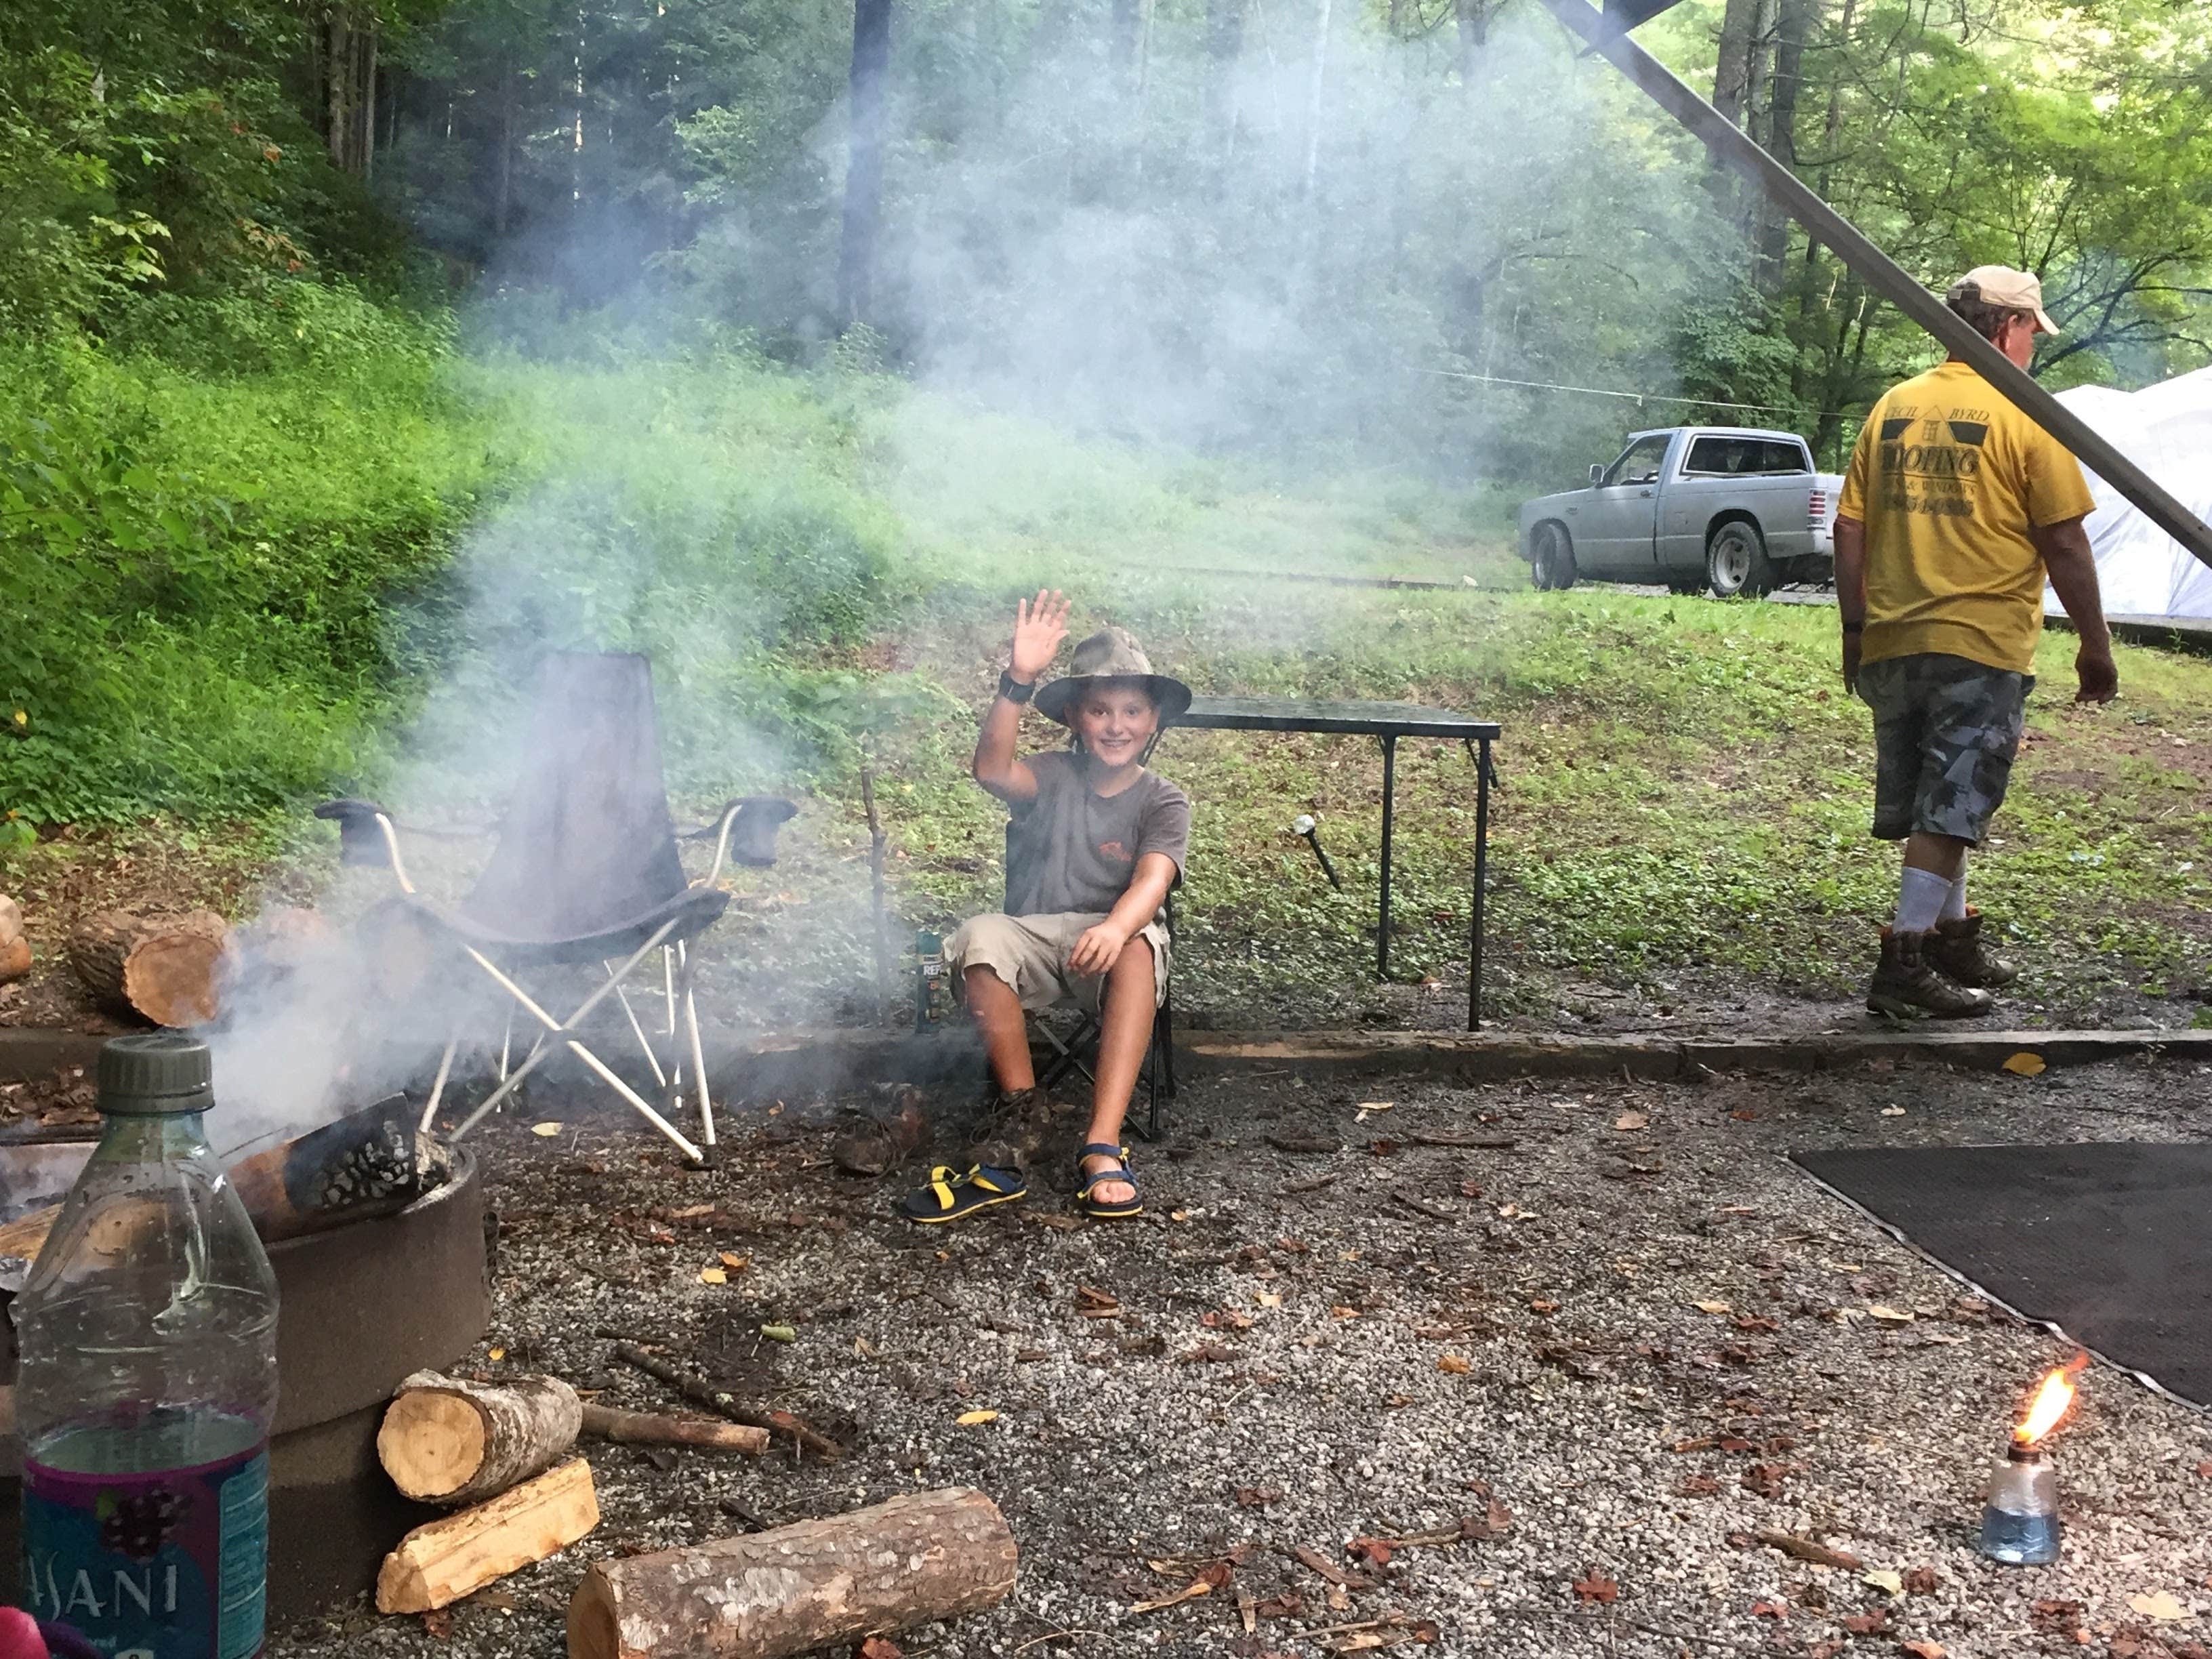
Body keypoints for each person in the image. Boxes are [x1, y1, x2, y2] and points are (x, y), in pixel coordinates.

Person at [1834, 264, 2118, 1019]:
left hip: (1894, 640)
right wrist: (2096, 645)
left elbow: (1850, 527)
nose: (2032, 345)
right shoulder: (2027, 414)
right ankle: (1903, 963)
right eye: (2032, 330)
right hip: (1980, 641)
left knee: (1937, 799)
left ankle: (1952, 939)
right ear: (2008, 327)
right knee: (1952, 808)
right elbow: (2064, 542)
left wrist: (1855, 631)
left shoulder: (1895, 405)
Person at [897, 592, 1192, 1223]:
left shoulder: (1163, 800)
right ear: (1076, 720)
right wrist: (1019, 679)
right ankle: (1018, 1125)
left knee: (1140, 944)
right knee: (979, 935)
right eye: (1100, 710)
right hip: (1035, 936)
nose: (1117, 724)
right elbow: (990, 770)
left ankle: (1102, 1144)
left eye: (1133, 710)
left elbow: (1153, 880)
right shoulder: (1054, 773)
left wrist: (1116, 926)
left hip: (1111, 945)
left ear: (1153, 721)